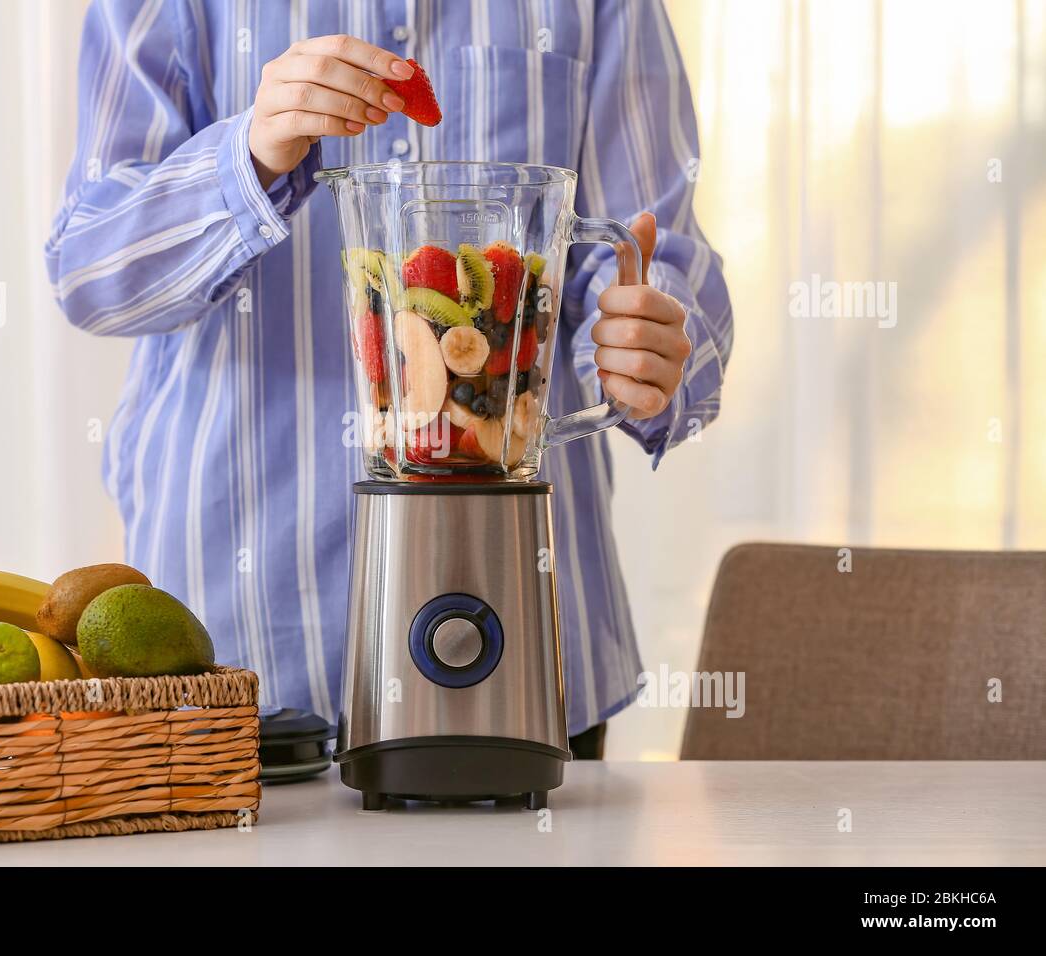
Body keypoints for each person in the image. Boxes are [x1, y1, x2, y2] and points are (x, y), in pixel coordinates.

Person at [46, 1, 733, 760]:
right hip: (230, 645)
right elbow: (90, 270)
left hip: (531, 648)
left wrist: (646, 338)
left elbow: (648, 244)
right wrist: (248, 154)